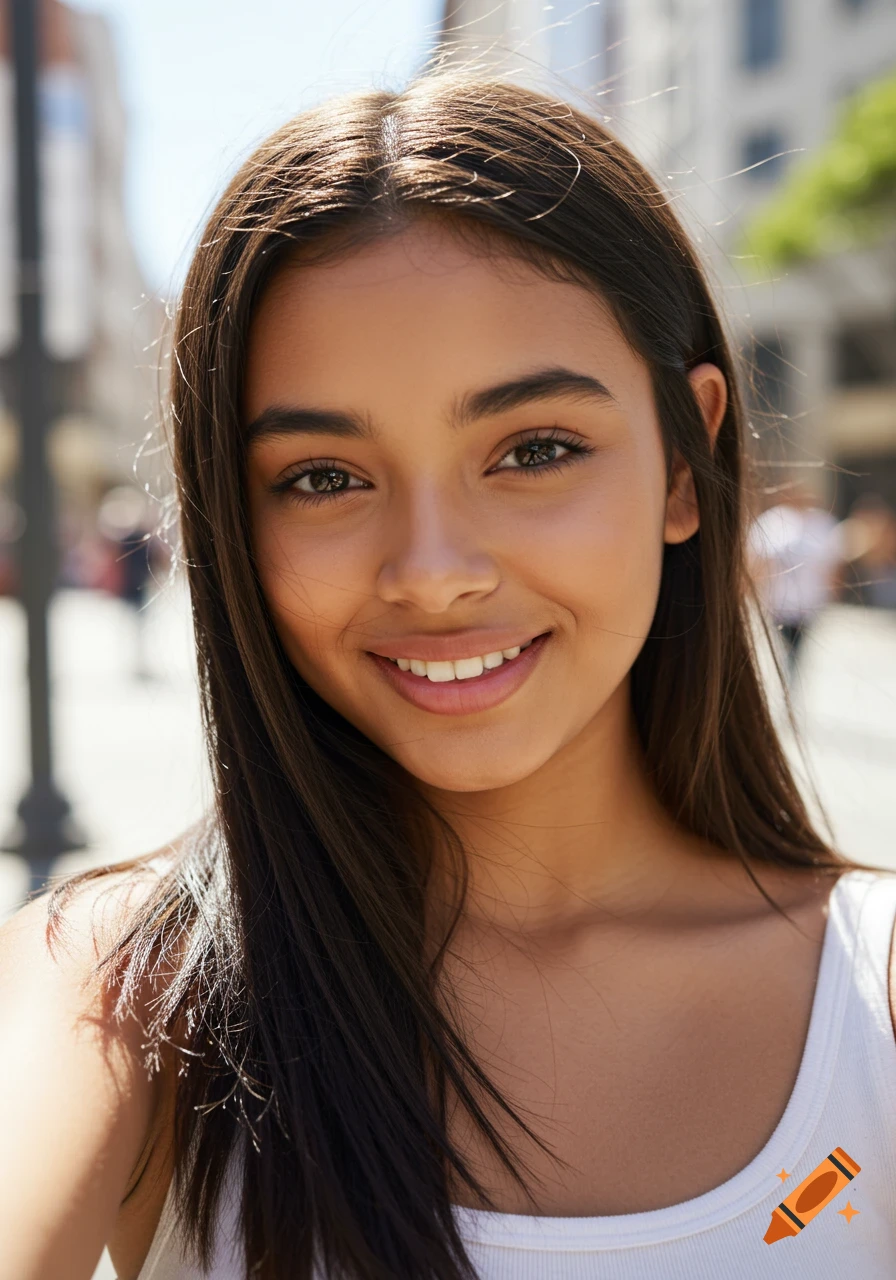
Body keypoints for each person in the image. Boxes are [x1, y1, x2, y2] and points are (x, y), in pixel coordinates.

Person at [2, 72, 895, 1280]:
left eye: (534, 450)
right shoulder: (115, 992)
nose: (430, 573)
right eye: (322, 474)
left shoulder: (871, 990)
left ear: (683, 465)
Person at [747, 481, 845, 682]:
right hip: (779, 604)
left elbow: (832, 564)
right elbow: (757, 564)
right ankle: (789, 683)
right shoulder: (772, 522)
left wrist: (832, 593)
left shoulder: (820, 523)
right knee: (785, 649)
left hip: (808, 603)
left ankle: (792, 683)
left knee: (798, 650)